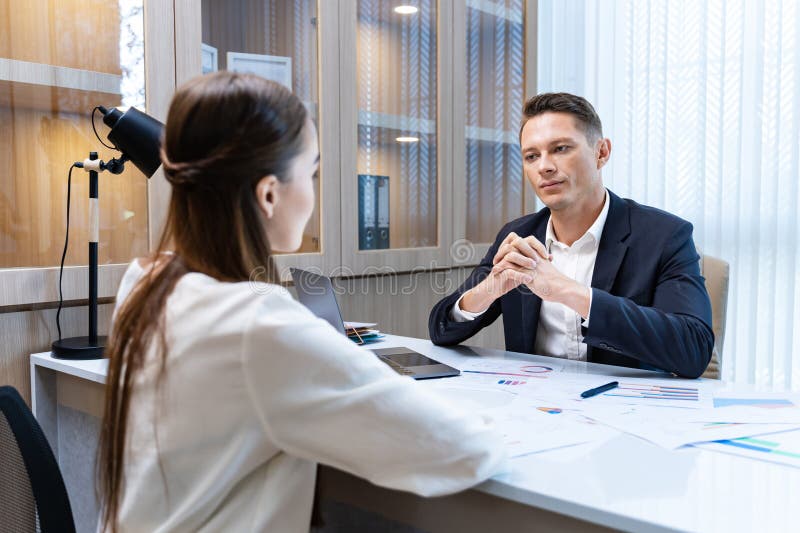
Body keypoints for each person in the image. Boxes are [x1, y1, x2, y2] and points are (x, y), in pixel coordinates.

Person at [98, 72, 506, 532]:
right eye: (311, 172)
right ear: (269, 194)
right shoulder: (258, 325)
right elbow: (461, 449)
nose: (314, 192)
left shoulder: (147, 281)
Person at [429, 92, 713, 379]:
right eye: (531, 156)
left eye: (561, 148)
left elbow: (693, 349)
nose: (544, 166)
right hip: (533, 407)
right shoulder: (519, 236)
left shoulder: (664, 235)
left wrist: (569, 292)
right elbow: (441, 329)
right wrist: (489, 288)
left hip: (626, 409)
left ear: (601, 152)